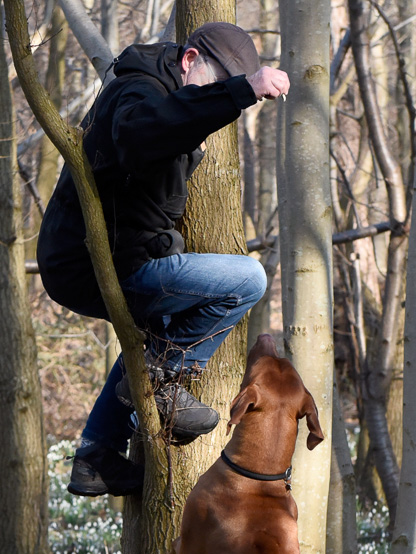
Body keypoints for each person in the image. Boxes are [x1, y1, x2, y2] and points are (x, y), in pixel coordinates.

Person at [37, 22, 290, 497]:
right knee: (248, 280)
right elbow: (141, 135)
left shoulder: (162, 96)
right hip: (93, 262)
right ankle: (161, 378)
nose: (214, 98)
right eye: (215, 84)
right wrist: (241, 91)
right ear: (189, 60)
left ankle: (96, 455)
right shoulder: (138, 91)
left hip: (102, 260)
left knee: (157, 335)